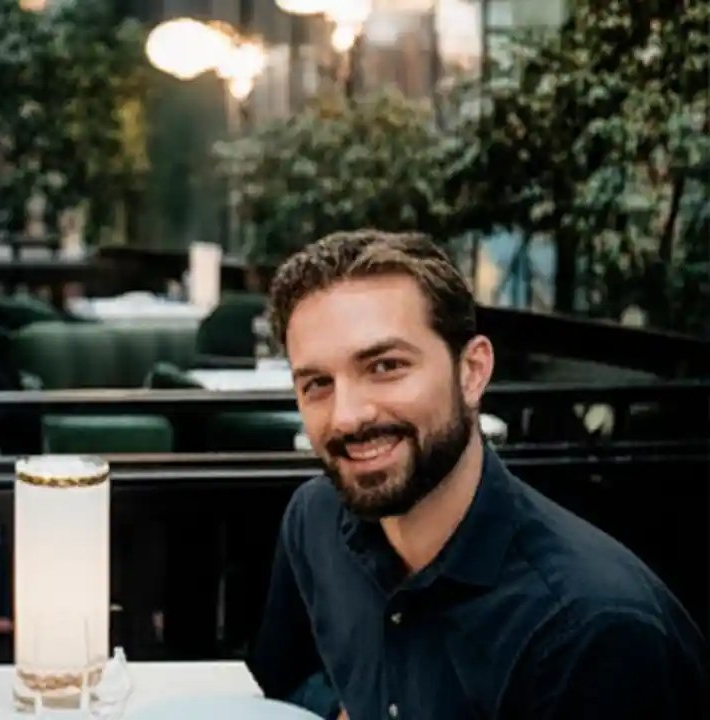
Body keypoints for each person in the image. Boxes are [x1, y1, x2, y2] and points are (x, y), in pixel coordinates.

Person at [249, 230, 709, 719]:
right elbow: (286, 681)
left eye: (385, 365)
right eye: (317, 383)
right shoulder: (315, 519)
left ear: (472, 371)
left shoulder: (591, 631)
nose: (346, 416)